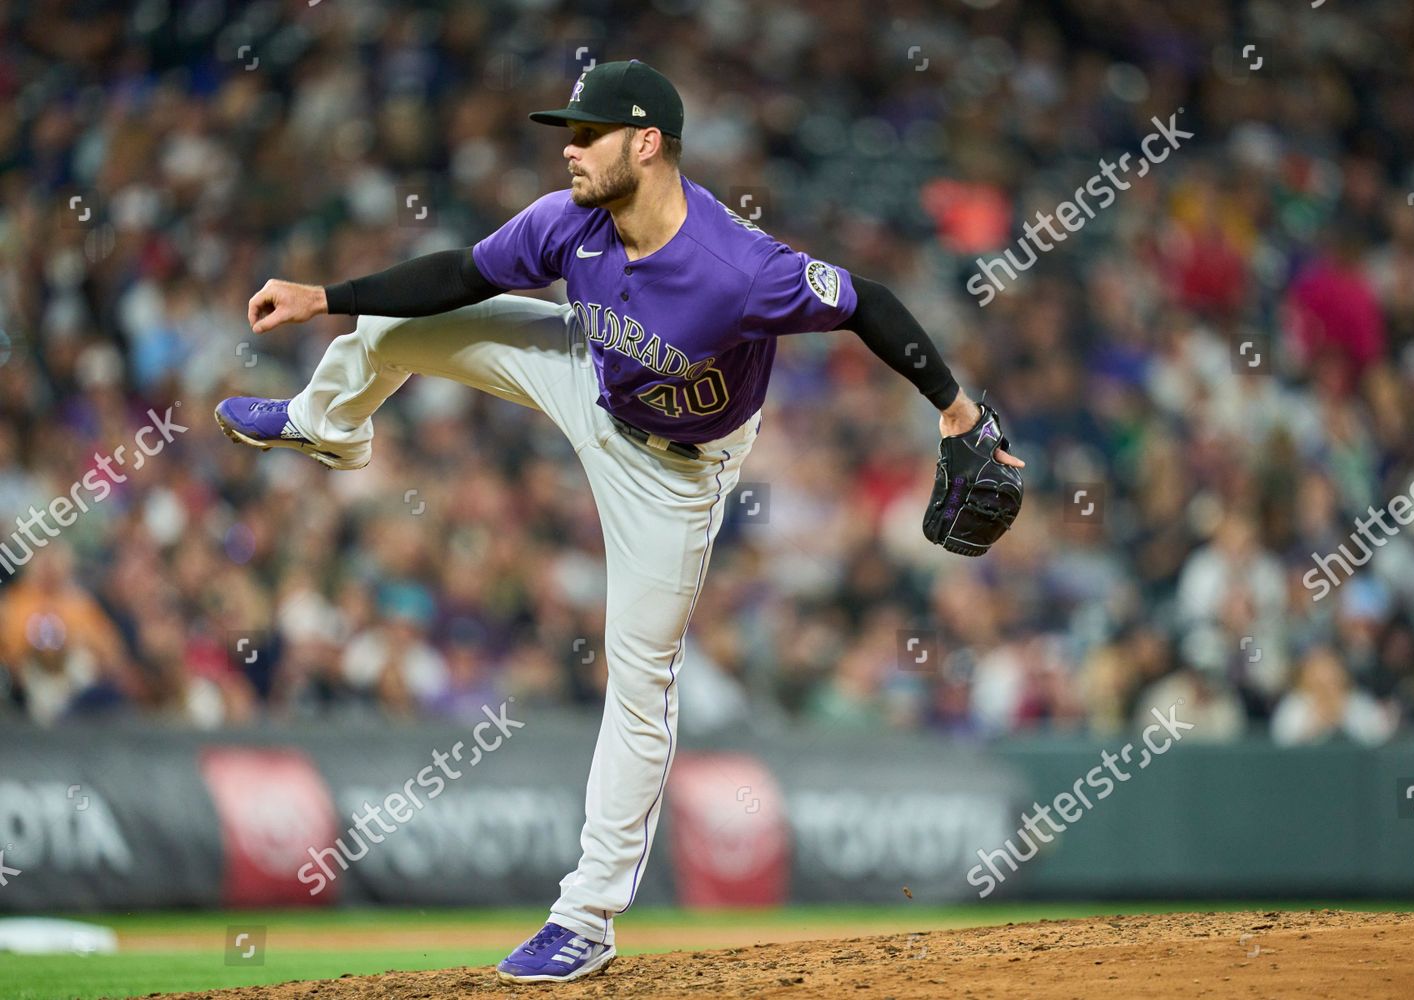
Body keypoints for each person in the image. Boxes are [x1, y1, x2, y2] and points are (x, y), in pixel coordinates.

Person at [214, 60, 1022, 984]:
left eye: (588, 132)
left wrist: (956, 409)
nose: (569, 145)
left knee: (640, 680)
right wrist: (325, 296)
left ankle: (587, 916)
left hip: (674, 473)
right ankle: (327, 426)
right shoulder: (569, 221)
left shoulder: (738, 267)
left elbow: (866, 301)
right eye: (569, 130)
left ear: (647, 143)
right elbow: (458, 275)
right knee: (385, 328)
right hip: (581, 371)